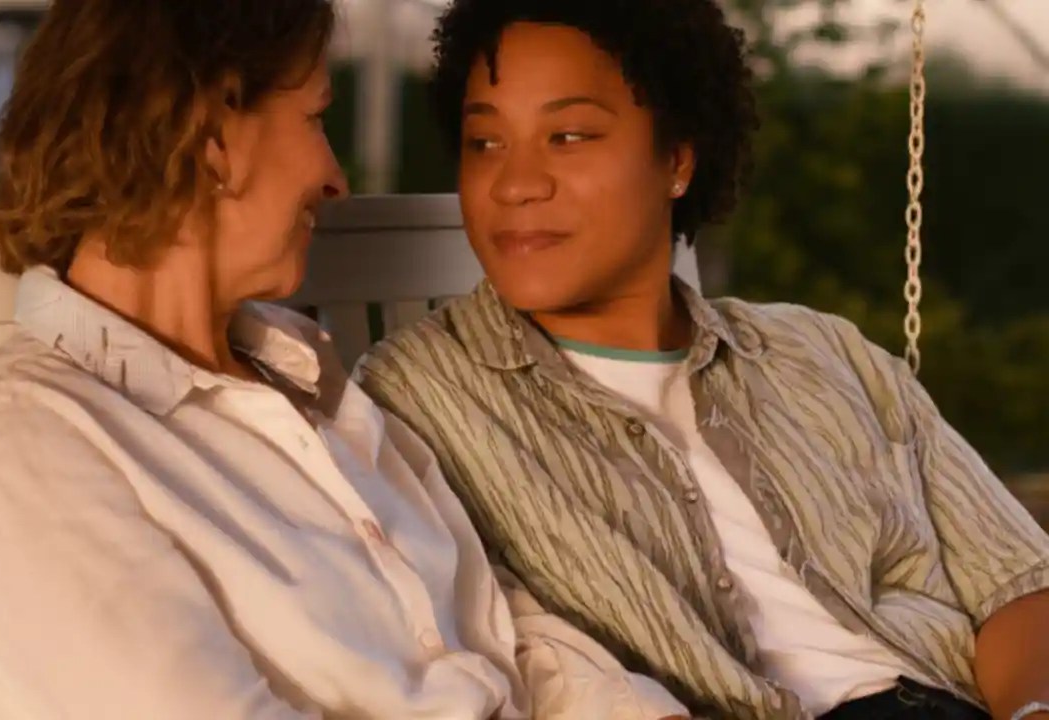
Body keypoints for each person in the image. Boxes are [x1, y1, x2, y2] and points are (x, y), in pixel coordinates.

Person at [0, 1, 691, 718]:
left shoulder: (304, 387)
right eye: (317, 117)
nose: (335, 178)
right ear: (212, 136)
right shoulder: (33, 441)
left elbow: (508, 637)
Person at [356, 1, 1049, 719]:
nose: (514, 183)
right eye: (484, 142)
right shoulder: (415, 400)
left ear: (677, 161)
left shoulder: (823, 354)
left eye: (567, 135)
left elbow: (1018, 581)